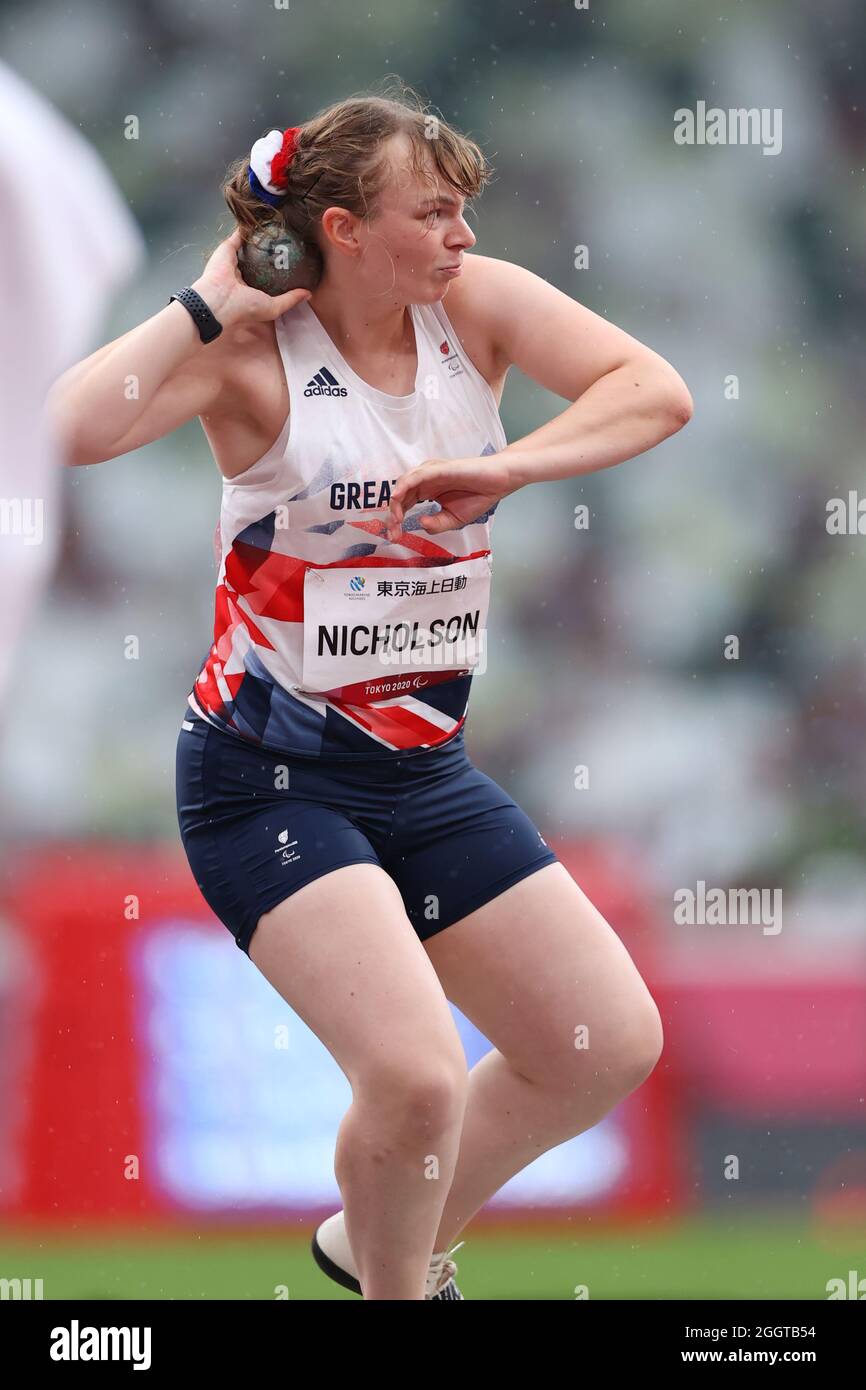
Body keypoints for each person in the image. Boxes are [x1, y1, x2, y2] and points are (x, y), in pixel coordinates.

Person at [49, 79, 693, 1301]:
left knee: (599, 1043)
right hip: (265, 776)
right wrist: (205, 301)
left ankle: (367, 1247)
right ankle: (403, 1286)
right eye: (435, 214)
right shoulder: (246, 358)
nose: (461, 238)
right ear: (341, 229)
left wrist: (501, 466)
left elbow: (652, 391)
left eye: (464, 215)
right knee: (414, 1078)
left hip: (422, 769)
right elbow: (66, 428)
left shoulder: (478, 309)